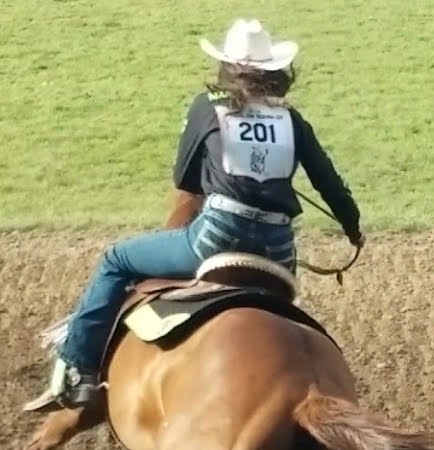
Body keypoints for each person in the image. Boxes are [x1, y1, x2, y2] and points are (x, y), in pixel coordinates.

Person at [25, 18, 365, 413]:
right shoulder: (292, 120)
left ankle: (76, 370)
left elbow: (185, 182)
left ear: (227, 67)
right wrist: (353, 229)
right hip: (279, 251)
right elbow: (329, 183)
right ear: (275, 71)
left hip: (216, 237)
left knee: (116, 259)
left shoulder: (208, 106)